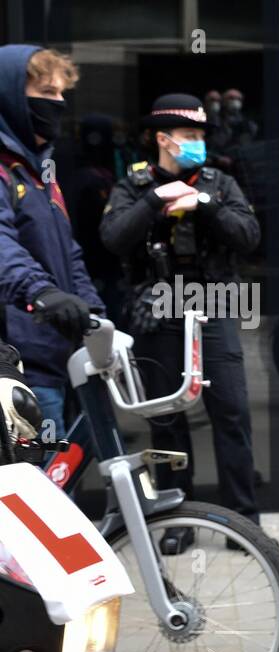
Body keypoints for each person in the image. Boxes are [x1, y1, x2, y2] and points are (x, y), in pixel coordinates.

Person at [99, 93, 262, 550]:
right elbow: (112, 238)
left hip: (215, 299)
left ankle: (243, 523)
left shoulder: (219, 182)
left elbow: (249, 236)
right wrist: (155, 202)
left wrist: (203, 204)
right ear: (163, 139)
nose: (197, 144)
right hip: (159, 303)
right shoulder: (135, 185)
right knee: (167, 417)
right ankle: (177, 519)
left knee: (231, 410)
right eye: (189, 137)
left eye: (200, 136)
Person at [0, 45, 105, 439]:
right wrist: (41, 292)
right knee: (39, 489)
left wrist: (92, 309)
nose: (58, 103)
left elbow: (68, 252)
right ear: (10, 95)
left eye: (62, 93)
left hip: (59, 354)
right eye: (46, 93)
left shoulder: (38, 171)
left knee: (63, 481)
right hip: (20, 361)